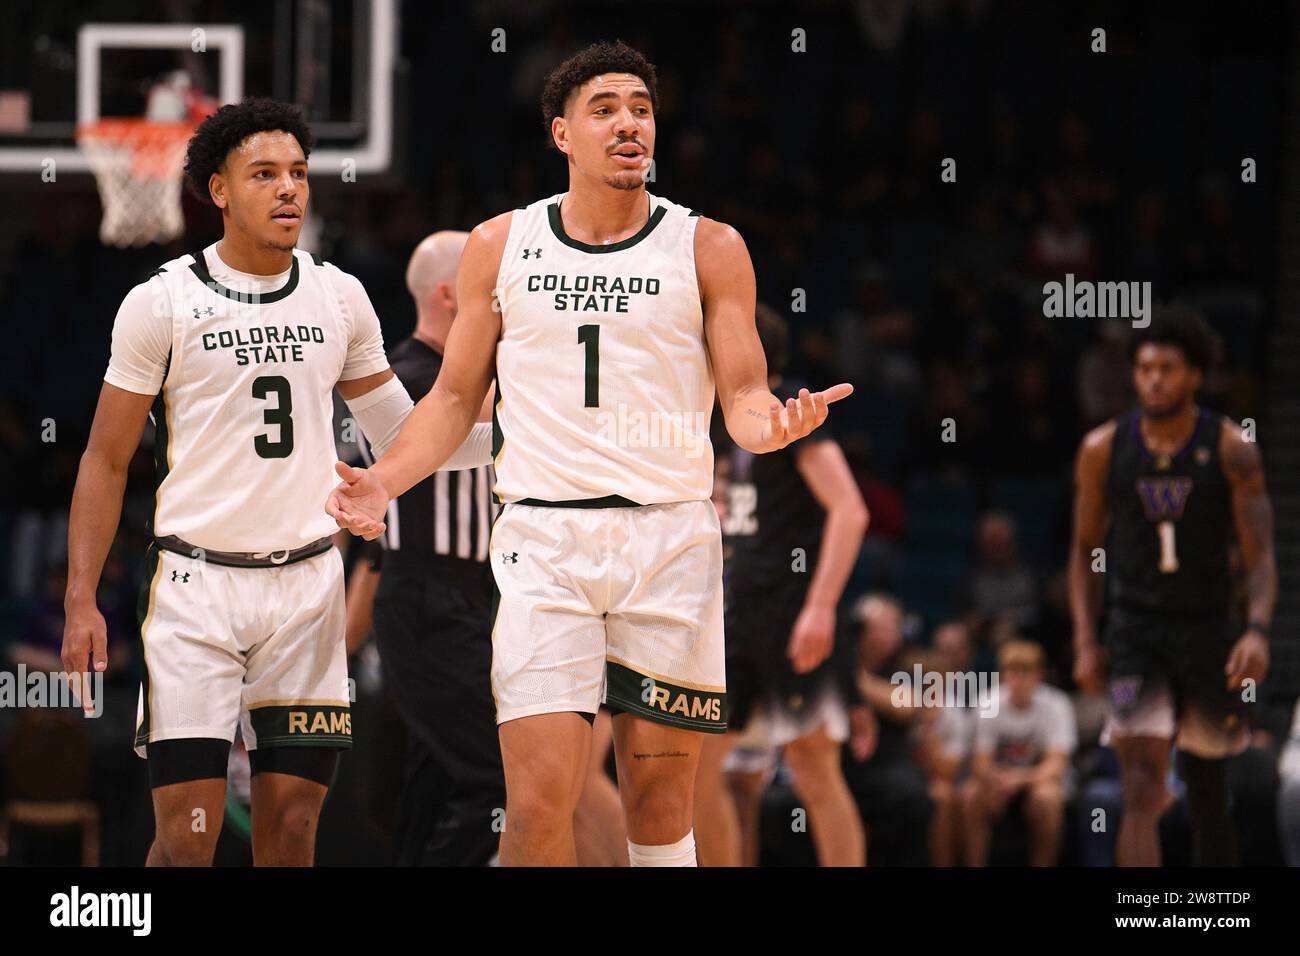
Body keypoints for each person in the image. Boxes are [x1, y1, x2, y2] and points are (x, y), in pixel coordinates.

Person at [326, 41, 851, 866]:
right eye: (604, 108)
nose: (628, 123)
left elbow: (745, 397)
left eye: (641, 107)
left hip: (669, 540)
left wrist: (771, 426)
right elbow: (455, 399)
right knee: (535, 808)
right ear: (562, 133)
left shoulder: (710, 246)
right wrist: (383, 482)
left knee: (660, 808)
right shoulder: (501, 245)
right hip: (545, 543)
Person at [61, 99, 489, 866]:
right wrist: (81, 597)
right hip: (196, 588)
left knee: (290, 834)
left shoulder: (339, 294)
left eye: (297, 172)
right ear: (218, 189)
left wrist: (515, 440)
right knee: (186, 841)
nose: (289, 188)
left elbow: (404, 433)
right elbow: (103, 458)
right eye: (265, 174)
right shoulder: (162, 301)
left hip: (307, 591)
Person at [1069, 306, 1275, 866]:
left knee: (1209, 792)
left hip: (1209, 628)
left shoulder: (1233, 448)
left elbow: (1259, 558)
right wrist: (1087, 640)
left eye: (1167, 368)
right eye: (1144, 368)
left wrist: (1256, 630)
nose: (1154, 379)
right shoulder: (1102, 450)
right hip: (1136, 630)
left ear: (1194, 375)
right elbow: (1085, 551)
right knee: (1139, 787)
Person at [694, 303, 869, 867]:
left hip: (792, 611)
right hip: (731, 611)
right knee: (698, 772)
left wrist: (820, 607)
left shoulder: (794, 405)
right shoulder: (714, 417)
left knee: (815, 772)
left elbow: (850, 510)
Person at [959, 640, 1076, 866]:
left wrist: (1020, 780)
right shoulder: (987, 703)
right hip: (998, 780)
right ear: (1003, 675)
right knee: (971, 794)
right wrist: (998, 780)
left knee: (1047, 798)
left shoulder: (1057, 704)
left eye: (1026, 672)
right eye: (1012, 672)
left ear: (1039, 675)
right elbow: (980, 763)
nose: (1018, 680)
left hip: (1037, 781)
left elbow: (1056, 764)